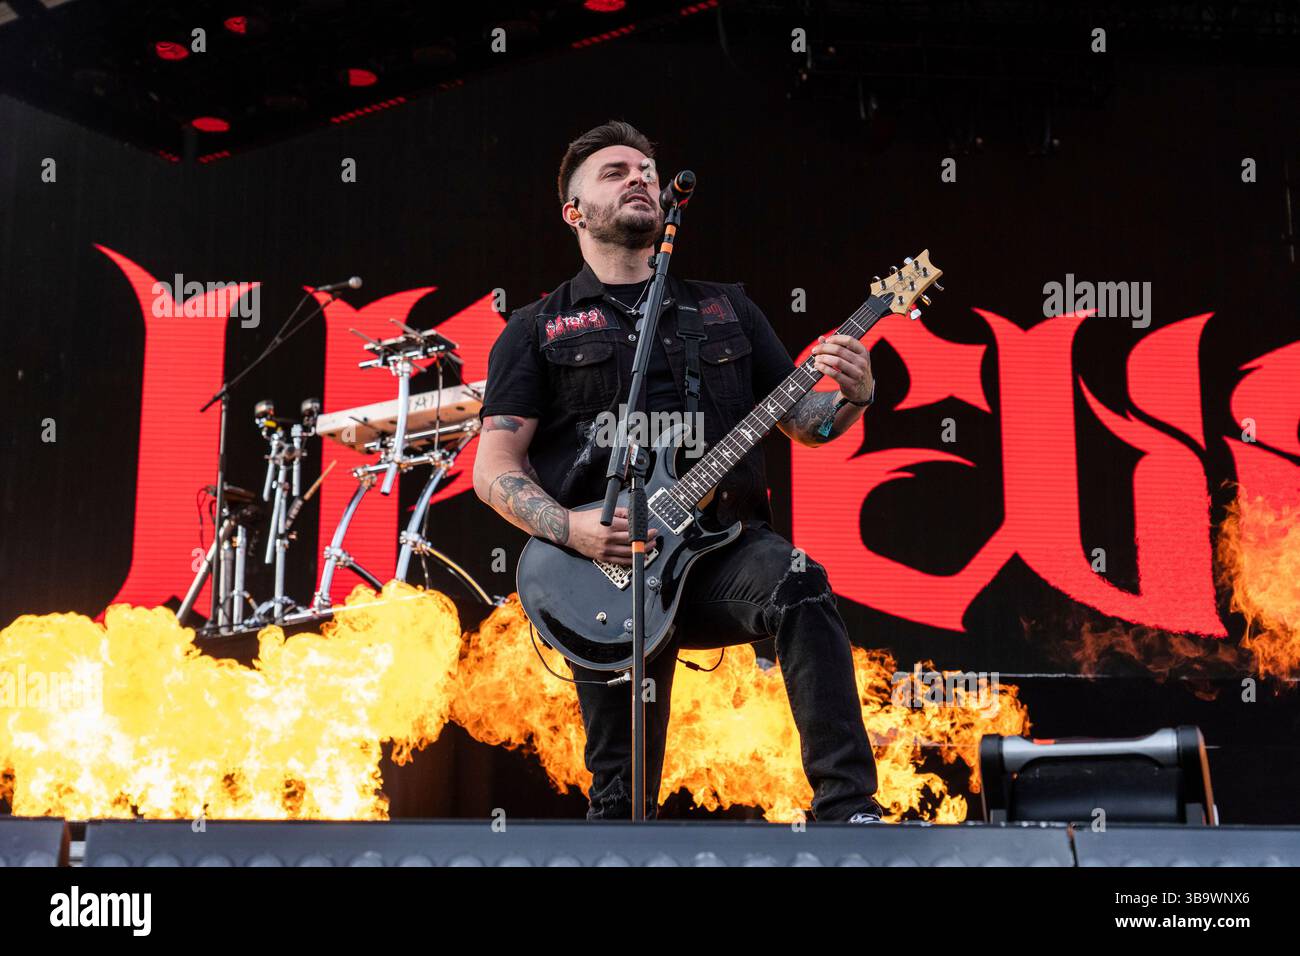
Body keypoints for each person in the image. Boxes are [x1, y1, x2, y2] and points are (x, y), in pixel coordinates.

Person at [473, 120, 885, 823]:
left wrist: (855, 396)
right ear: (574, 211)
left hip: (722, 549)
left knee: (799, 582)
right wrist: (571, 529)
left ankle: (850, 810)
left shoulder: (725, 308)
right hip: (602, 568)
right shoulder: (538, 328)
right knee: (621, 800)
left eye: (647, 170)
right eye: (615, 172)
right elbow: (494, 468)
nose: (639, 178)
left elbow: (807, 424)